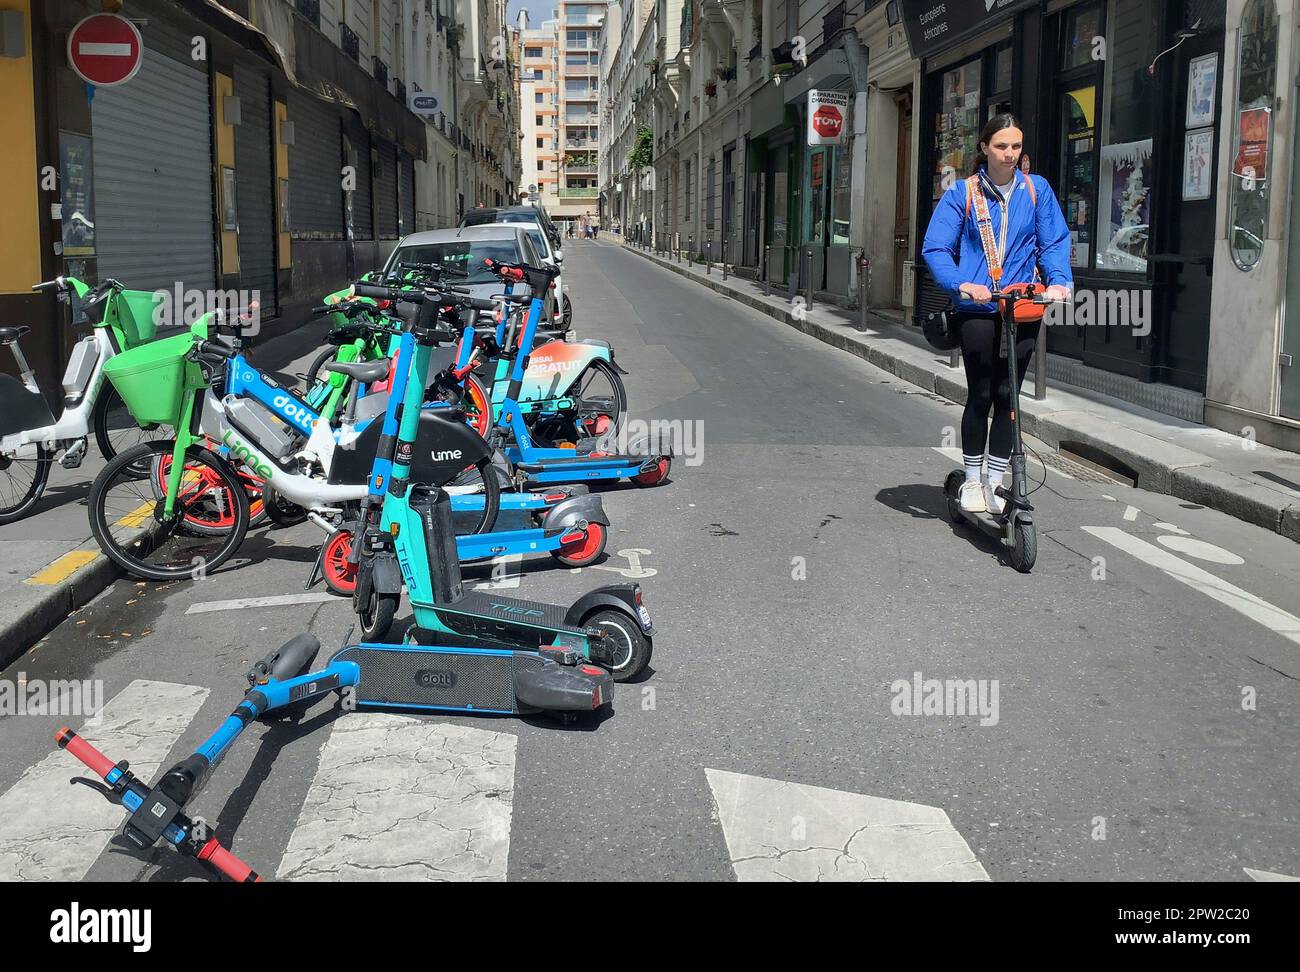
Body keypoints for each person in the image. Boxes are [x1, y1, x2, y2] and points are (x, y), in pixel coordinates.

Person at [921, 113, 1072, 515]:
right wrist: (960, 283)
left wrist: (1058, 281)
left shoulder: (1036, 190)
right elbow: (935, 248)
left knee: (1009, 397)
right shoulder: (962, 194)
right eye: (1001, 146)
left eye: (1016, 146)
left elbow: (1053, 241)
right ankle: (972, 479)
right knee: (982, 394)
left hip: (1022, 306)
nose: (1009, 154)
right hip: (978, 308)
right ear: (984, 148)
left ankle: (995, 479)